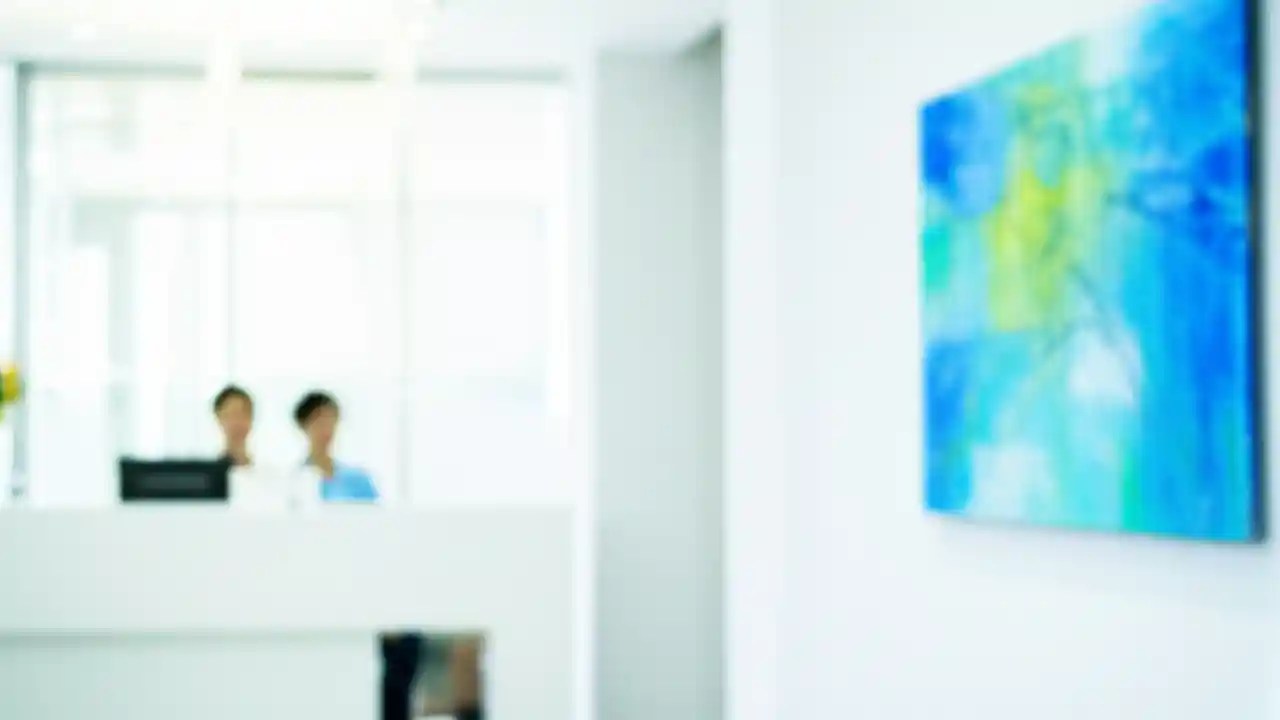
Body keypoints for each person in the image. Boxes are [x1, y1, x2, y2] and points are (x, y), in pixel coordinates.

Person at [294, 391, 379, 502]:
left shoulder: (359, 480)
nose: (326, 430)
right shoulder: (295, 481)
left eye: (330, 420)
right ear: (303, 425)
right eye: (319, 421)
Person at [213, 385, 254, 467]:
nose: (239, 422)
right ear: (219, 417)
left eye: (245, 413)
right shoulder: (211, 472)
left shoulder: (267, 472)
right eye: (234, 414)